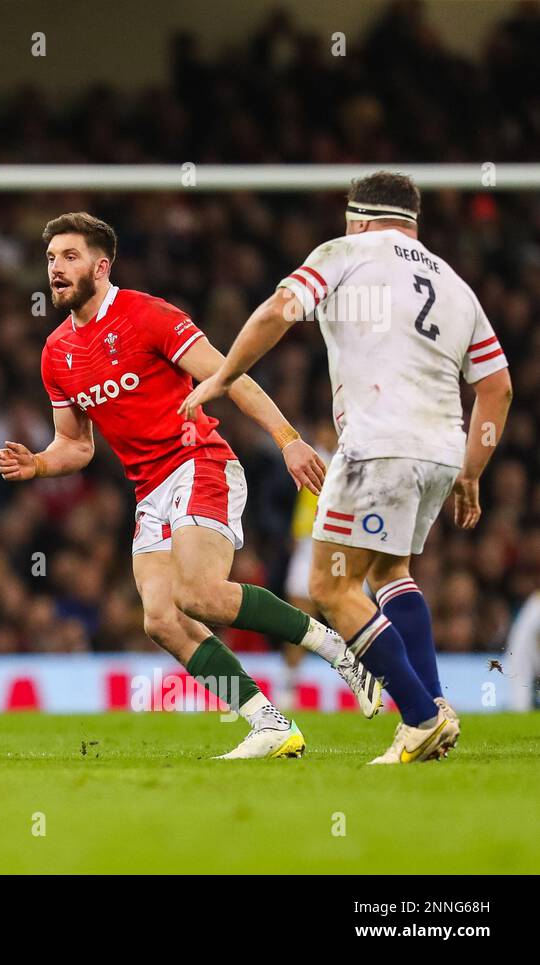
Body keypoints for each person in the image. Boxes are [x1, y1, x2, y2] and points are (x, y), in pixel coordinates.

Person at [0, 212, 381, 760]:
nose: (56, 269)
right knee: (162, 620)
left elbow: (230, 377)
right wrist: (37, 464)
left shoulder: (148, 315)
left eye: (70, 257)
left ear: (101, 267)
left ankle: (339, 649)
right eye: (51, 258)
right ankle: (269, 723)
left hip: (199, 462)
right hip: (149, 490)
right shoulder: (56, 353)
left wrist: (289, 440)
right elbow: (76, 445)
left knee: (198, 594)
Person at [182, 171, 513, 763]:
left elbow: (278, 311)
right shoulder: (453, 283)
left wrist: (224, 376)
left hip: (378, 444)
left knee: (329, 586)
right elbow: (498, 387)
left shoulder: (345, 252)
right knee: (388, 571)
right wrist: (472, 470)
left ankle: (419, 717)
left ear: (358, 218)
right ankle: (436, 705)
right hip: (441, 452)